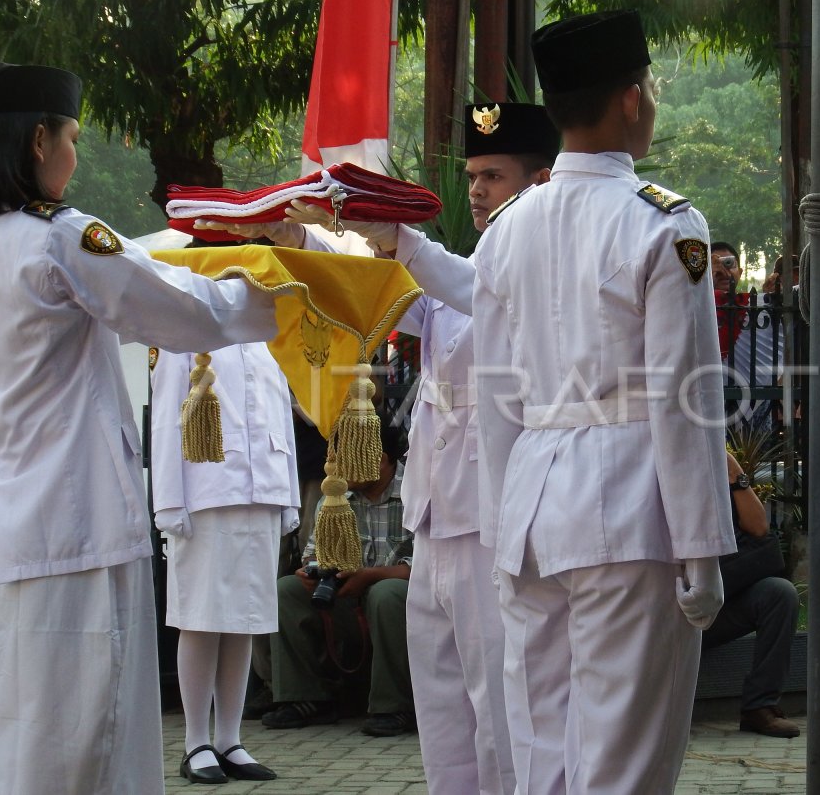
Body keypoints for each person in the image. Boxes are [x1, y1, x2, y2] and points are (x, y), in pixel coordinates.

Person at [0, 62, 279, 794]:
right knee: (83, 728)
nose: (75, 155)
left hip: (1, 524)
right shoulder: (60, 238)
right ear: (38, 142)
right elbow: (184, 311)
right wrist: (296, 289)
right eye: (73, 137)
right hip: (75, 517)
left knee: (4, 722)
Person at [200, 101, 558, 793]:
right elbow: (387, 292)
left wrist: (401, 237)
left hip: (495, 514)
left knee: (502, 697)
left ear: (540, 181)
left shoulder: (534, 260)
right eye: (474, 175)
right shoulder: (474, 259)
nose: (477, 190)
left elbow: (463, 288)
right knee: (443, 694)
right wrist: (304, 238)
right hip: (439, 509)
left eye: (494, 176)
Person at [471, 11, 737, 793]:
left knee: (544, 755)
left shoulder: (506, 229)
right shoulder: (662, 222)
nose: (652, 98)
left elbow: (495, 401)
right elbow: (685, 403)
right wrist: (702, 547)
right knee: (624, 758)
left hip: (531, 505)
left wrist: (498, 528)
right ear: (629, 98)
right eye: (650, 84)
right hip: (627, 509)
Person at [151, 342, 300, 784]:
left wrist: (288, 493)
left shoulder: (267, 345)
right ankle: (196, 740)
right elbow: (165, 422)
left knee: (244, 620)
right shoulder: (185, 339)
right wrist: (168, 502)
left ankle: (229, 739)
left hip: (263, 492)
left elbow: (282, 421)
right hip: (208, 490)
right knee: (200, 618)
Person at [261, 424, 416, 738]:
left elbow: (429, 567)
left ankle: (393, 706)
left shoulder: (416, 490)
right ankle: (306, 698)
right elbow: (313, 553)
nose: (335, 467)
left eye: (346, 459)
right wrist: (311, 570)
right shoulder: (336, 493)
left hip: (405, 604)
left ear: (380, 458)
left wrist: (370, 576)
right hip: (348, 599)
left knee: (385, 594)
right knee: (286, 590)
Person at [702, 444, 800, 739]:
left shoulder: (714, 469)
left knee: (779, 594)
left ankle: (760, 708)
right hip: (666, 610)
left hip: (715, 604)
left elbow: (758, 528)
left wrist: (736, 474)